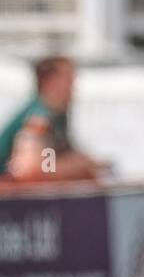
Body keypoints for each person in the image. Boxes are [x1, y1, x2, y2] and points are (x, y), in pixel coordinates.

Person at [0, 54, 101, 182]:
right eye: (69, 81)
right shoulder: (39, 117)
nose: (74, 88)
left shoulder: (58, 116)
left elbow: (51, 159)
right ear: (50, 82)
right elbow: (31, 169)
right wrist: (74, 167)